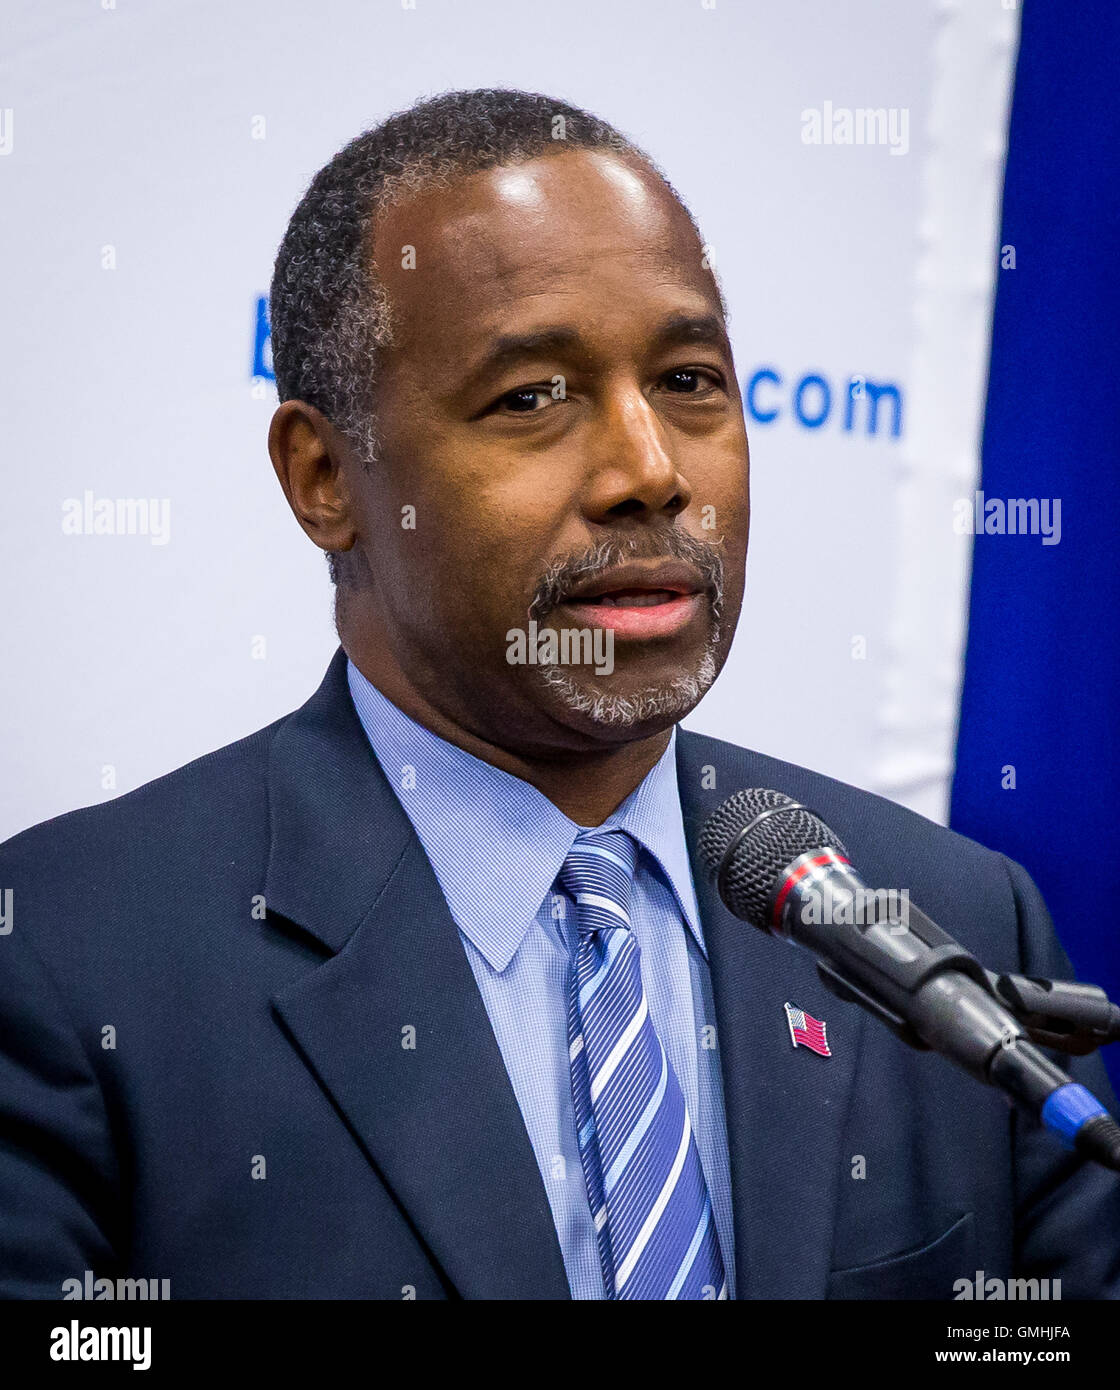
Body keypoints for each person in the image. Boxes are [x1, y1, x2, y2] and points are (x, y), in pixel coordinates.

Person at [1, 89, 1116, 1301]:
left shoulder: (950, 918)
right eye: (532, 397)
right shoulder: (65, 963)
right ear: (325, 476)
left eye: (690, 381)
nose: (649, 470)